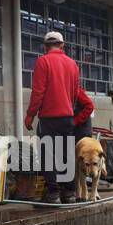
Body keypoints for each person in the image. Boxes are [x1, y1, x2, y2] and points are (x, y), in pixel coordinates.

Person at [25, 30, 82, 204]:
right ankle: (69, 193)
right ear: (62, 46)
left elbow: (38, 92)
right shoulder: (73, 64)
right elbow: (74, 92)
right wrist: (68, 107)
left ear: (45, 46)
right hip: (67, 116)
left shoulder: (43, 62)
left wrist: (30, 115)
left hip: (49, 118)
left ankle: (53, 194)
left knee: (48, 155)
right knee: (66, 154)